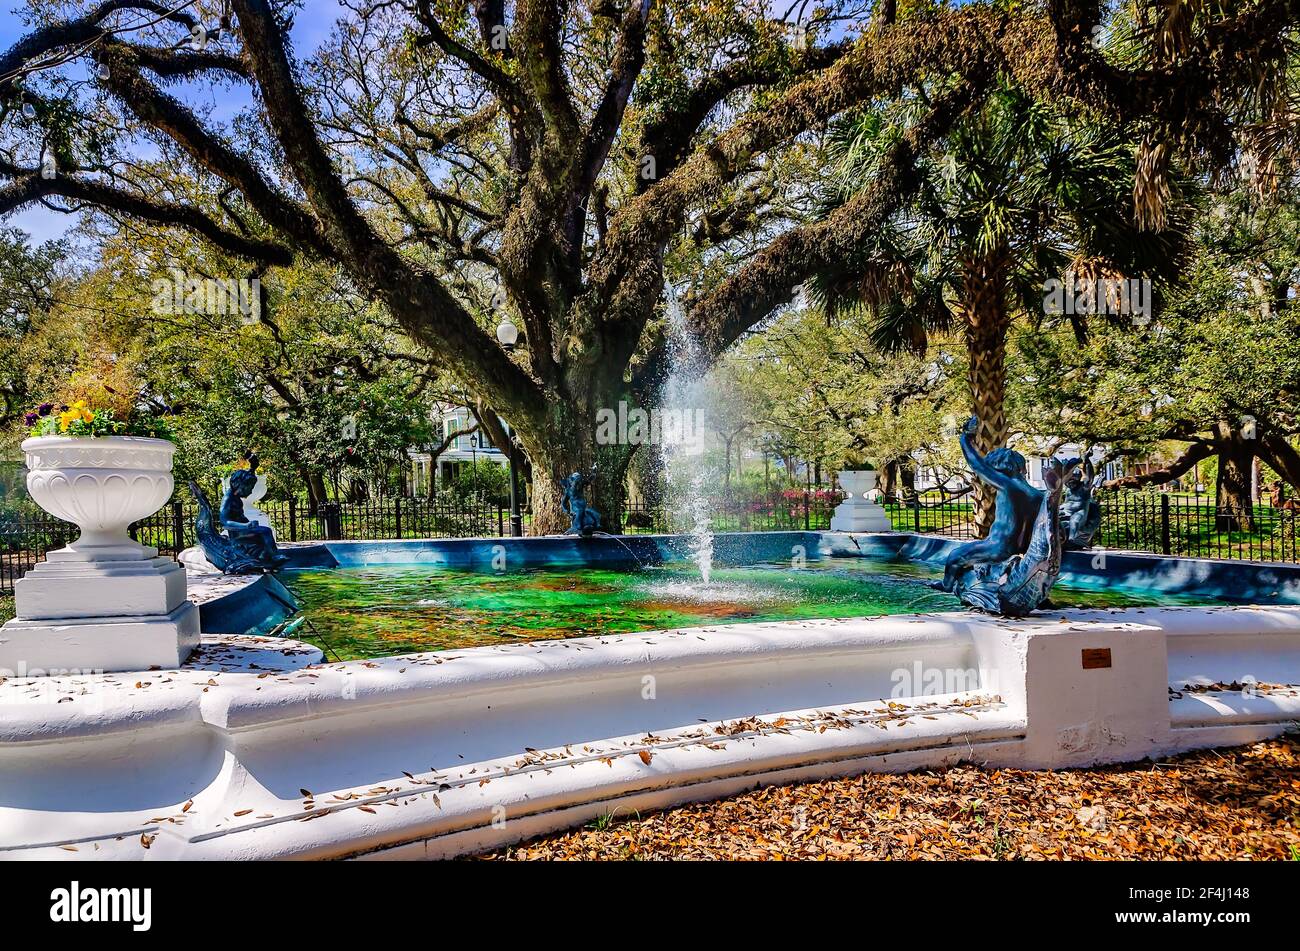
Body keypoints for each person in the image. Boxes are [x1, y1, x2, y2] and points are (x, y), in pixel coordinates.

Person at [939, 417, 1042, 591]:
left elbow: (977, 465)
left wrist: (965, 438)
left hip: (998, 547)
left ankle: (946, 586)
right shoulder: (1038, 495)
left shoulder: (1008, 485)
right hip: (1021, 548)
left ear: (1000, 469)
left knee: (954, 557)